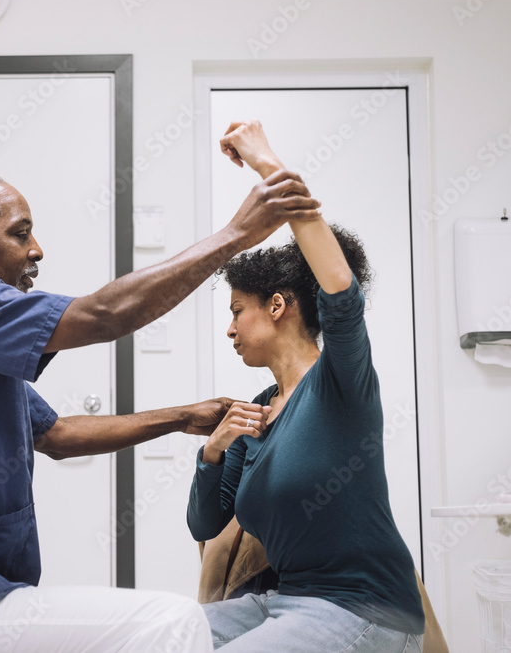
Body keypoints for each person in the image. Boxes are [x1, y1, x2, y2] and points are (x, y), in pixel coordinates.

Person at [0, 170, 322, 652]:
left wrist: (182, 417)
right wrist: (236, 235)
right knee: (172, 623)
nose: (37, 250)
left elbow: (58, 434)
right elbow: (103, 314)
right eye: (19, 232)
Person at [187, 121, 425, 652]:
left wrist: (265, 161)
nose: (229, 329)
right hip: (285, 603)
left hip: (364, 608)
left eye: (236, 312)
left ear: (277, 306)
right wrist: (210, 454)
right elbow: (205, 522)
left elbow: (341, 291)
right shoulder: (254, 413)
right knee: (159, 637)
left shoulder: (340, 381)